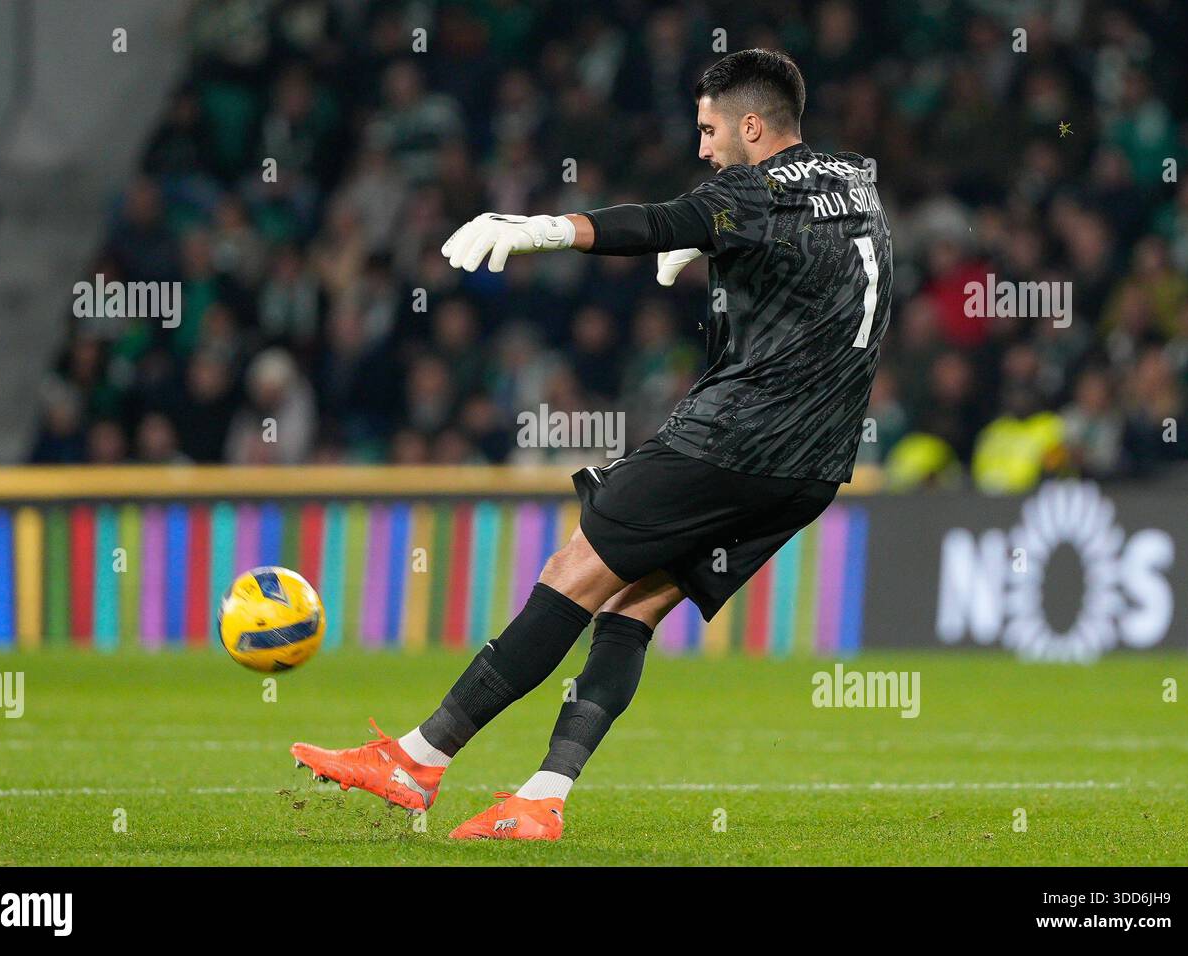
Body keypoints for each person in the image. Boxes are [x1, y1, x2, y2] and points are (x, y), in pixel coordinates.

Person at [291, 49, 893, 841]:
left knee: (571, 573)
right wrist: (726, 250)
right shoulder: (854, 182)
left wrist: (547, 229)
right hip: (812, 468)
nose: (704, 149)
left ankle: (417, 758)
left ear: (753, 125)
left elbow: (660, 220)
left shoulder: (753, 190)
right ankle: (543, 796)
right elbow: (820, 264)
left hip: (736, 438)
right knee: (632, 605)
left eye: (712, 131)